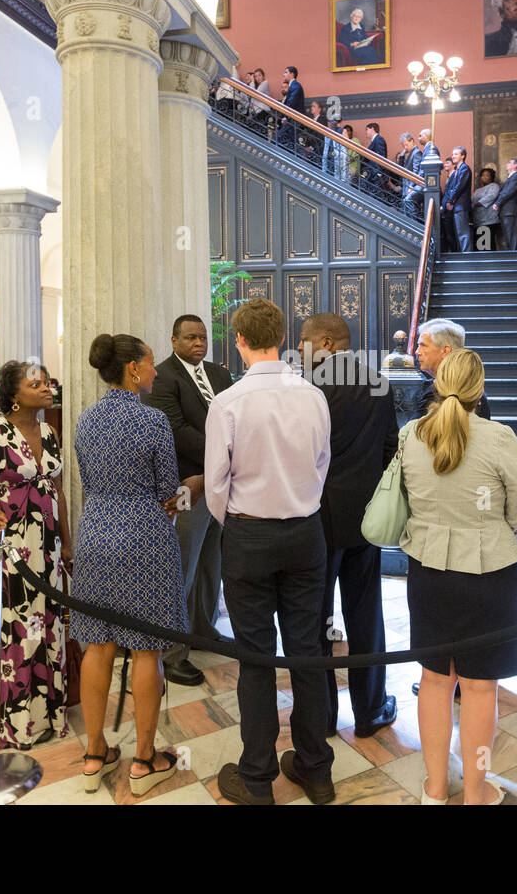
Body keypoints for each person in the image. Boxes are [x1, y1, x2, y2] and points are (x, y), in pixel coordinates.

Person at [205, 298, 336, 805]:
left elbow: (216, 482)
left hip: (250, 535)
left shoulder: (230, 401)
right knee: (308, 653)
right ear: (280, 337)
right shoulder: (312, 396)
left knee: (255, 659)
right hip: (306, 533)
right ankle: (315, 769)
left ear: (238, 340)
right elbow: (321, 463)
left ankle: (257, 777)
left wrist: (238, 522)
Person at [401, 349, 517, 805]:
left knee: (435, 680)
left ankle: (435, 789)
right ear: (481, 390)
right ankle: (475, 792)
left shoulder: (410, 434)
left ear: (437, 384)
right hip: (487, 574)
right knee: (480, 687)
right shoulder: (500, 437)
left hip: (427, 570)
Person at [72, 334, 187, 796]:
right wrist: (189, 491)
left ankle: (94, 754)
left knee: (97, 646)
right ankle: (144, 759)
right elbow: (168, 492)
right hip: (144, 535)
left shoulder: (85, 419)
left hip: (96, 533)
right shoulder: (152, 421)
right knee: (147, 649)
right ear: (133, 370)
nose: (156, 372)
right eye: (150, 363)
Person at [0, 359, 71, 749]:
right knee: (11, 635)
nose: (46, 388)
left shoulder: (49, 430)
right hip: (5, 552)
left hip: (48, 549)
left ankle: (43, 714)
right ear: (12, 394)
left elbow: (56, 490)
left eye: (48, 382)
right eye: (36, 383)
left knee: (45, 629)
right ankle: (6, 720)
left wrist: (68, 544)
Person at [299, 314, 399, 740]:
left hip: (316, 518)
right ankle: (370, 710)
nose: (300, 350)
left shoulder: (305, 388)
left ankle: (322, 717)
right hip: (365, 517)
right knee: (365, 615)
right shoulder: (377, 382)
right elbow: (391, 446)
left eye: (304, 342)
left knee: (316, 618)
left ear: (326, 342)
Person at [146, 314, 235, 685]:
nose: (199, 343)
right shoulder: (164, 377)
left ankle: (203, 628)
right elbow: (176, 430)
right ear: (174, 340)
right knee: (182, 563)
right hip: (186, 484)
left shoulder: (219, 374)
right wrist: (223, 453)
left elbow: (234, 418)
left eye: (203, 338)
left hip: (221, 483)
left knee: (212, 558)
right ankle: (172, 650)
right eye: (191, 338)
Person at [415, 318, 491, 419]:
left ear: (445, 351)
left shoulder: (442, 393)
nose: (417, 352)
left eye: (423, 345)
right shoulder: (473, 389)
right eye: (418, 346)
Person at [442, 146, 474, 252]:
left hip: (461, 205)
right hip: (458, 206)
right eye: (453, 154)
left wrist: (451, 200)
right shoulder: (459, 169)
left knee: (463, 233)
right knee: (459, 232)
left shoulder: (464, 168)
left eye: (456, 154)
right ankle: (464, 253)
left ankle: (466, 255)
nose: (453, 156)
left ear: (463, 156)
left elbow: (459, 186)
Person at [492, 158, 517, 251]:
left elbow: (508, 192)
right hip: (506, 211)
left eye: (509, 162)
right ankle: (513, 259)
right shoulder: (512, 178)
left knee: (512, 238)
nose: (507, 164)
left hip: (509, 211)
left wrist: (497, 203)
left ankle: (515, 260)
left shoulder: (515, 177)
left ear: (515, 166)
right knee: (509, 238)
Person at [471, 167, 500, 249]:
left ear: (491, 177)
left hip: (489, 220)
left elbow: (491, 196)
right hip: (478, 220)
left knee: (488, 245)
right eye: (482, 175)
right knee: (479, 245)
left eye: (487, 175)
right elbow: (472, 200)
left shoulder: (494, 186)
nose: (484, 177)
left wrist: (478, 203)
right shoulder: (477, 190)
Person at [277, 66, 305, 152]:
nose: (283, 74)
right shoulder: (292, 86)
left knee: (281, 139)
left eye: (286, 72)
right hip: (290, 120)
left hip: (294, 121)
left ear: (292, 74)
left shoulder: (296, 86)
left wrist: (286, 116)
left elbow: (291, 103)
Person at [362, 122, 388, 192]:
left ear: (372, 129)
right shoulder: (376, 140)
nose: (366, 132)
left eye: (367, 129)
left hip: (375, 174)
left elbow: (381, 156)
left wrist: (379, 173)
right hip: (372, 173)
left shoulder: (379, 139)